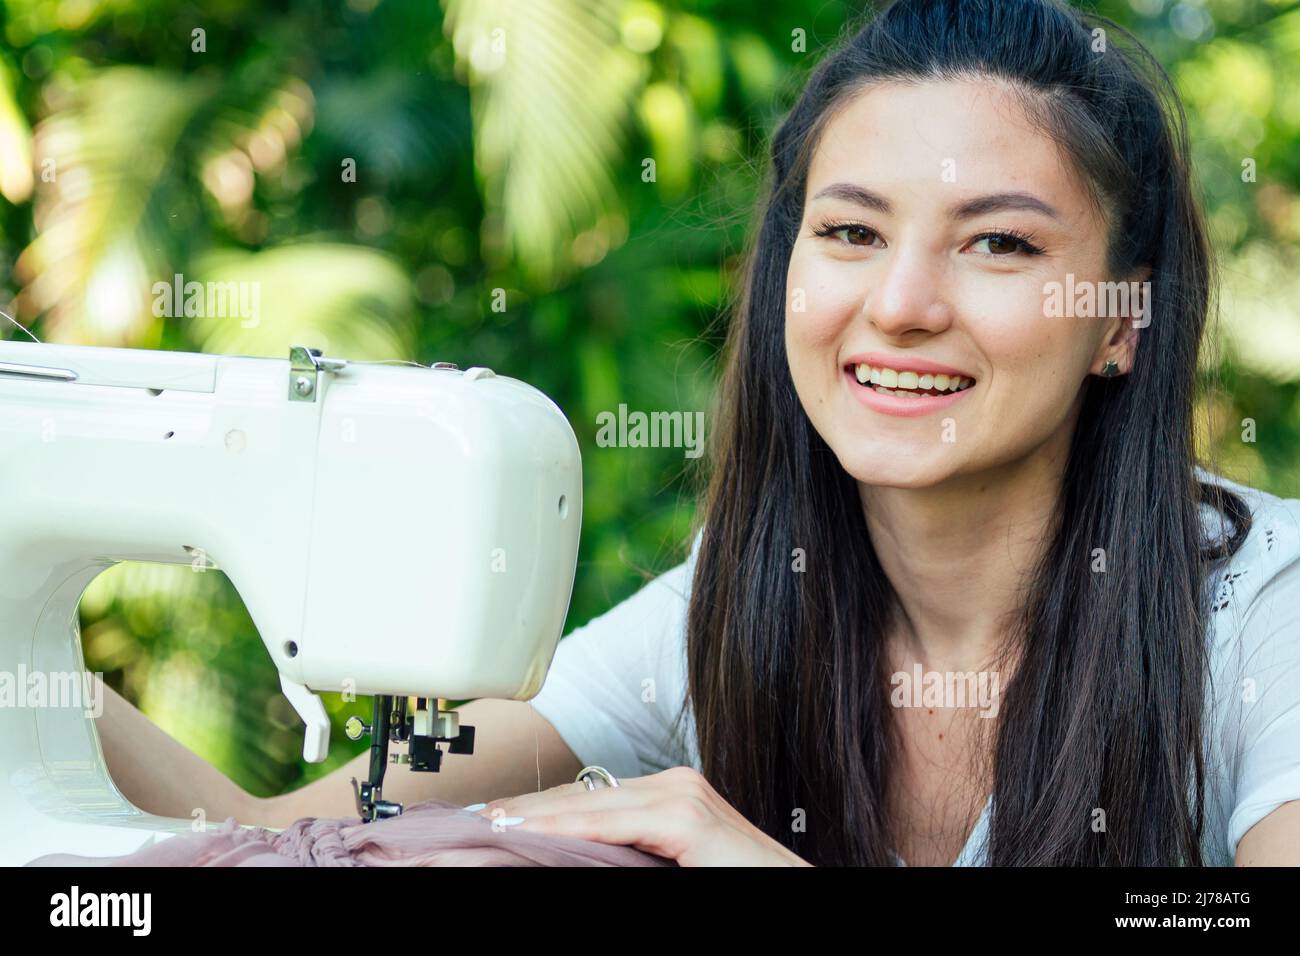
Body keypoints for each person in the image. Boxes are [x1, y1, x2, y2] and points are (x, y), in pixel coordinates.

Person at [97, 0, 1300, 866]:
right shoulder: (731, 606)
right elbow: (261, 832)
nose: (901, 304)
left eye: (998, 243)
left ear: (1118, 321)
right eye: (849, 232)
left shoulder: (1263, 616)